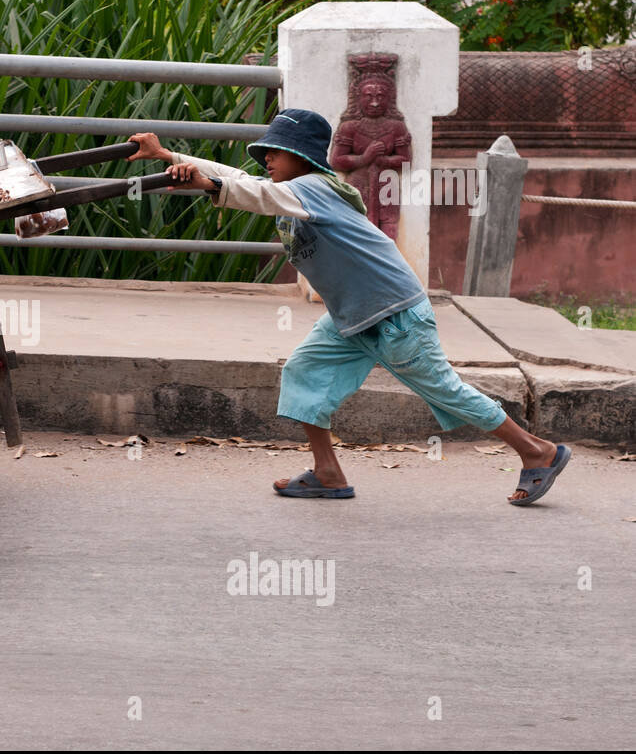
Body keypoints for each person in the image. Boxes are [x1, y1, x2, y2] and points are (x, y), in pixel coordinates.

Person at [127, 109, 570, 505]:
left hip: (394, 314)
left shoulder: (314, 188)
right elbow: (248, 184)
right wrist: (166, 155)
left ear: (302, 157)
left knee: (445, 390)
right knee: (303, 370)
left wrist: (206, 183)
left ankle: (538, 451)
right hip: (352, 317)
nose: (267, 159)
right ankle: (327, 473)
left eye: (276, 152)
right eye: (265, 152)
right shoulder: (291, 191)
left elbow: (251, 194)